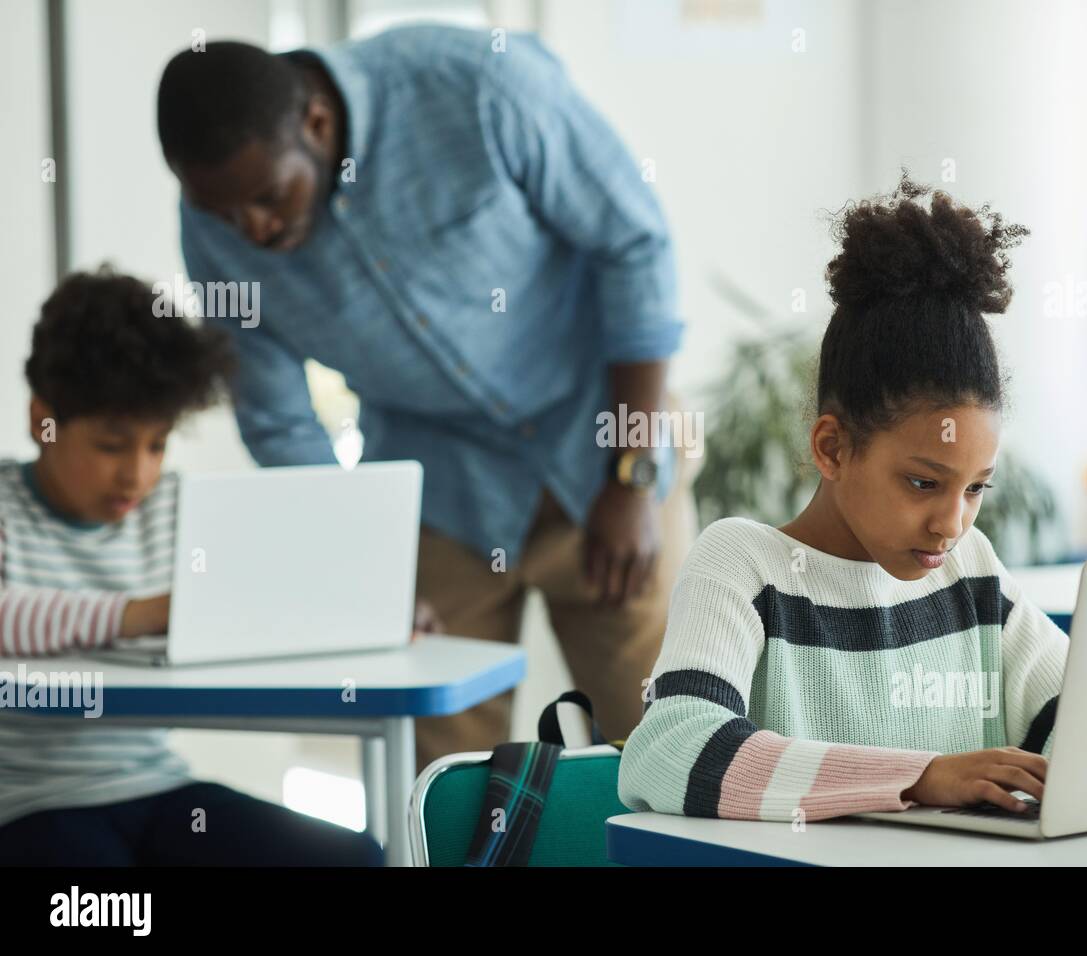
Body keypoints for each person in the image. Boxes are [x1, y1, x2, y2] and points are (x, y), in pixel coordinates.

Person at [155, 25, 696, 769]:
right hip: (444, 497)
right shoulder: (213, 231)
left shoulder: (477, 88)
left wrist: (632, 473)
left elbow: (634, 244)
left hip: (600, 449)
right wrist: (360, 569)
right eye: (223, 213)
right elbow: (278, 417)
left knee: (665, 753)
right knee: (444, 785)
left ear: (315, 124)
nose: (251, 229)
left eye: (267, 197)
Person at [618, 174, 1068, 821]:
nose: (951, 522)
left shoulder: (973, 573)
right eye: (923, 482)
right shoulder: (742, 566)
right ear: (832, 448)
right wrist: (919, 778)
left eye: (975, 488)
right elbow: (668, 750)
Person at [0, 267, 383, 865]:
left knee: (354, 858)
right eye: (111, 444)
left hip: (157, 786)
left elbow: (265, 598)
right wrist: (142, 615)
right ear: (41, 421)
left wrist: (367, 613)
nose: (137, 474)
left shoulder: (176, 509)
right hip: (30, 802)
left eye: (157, 444)